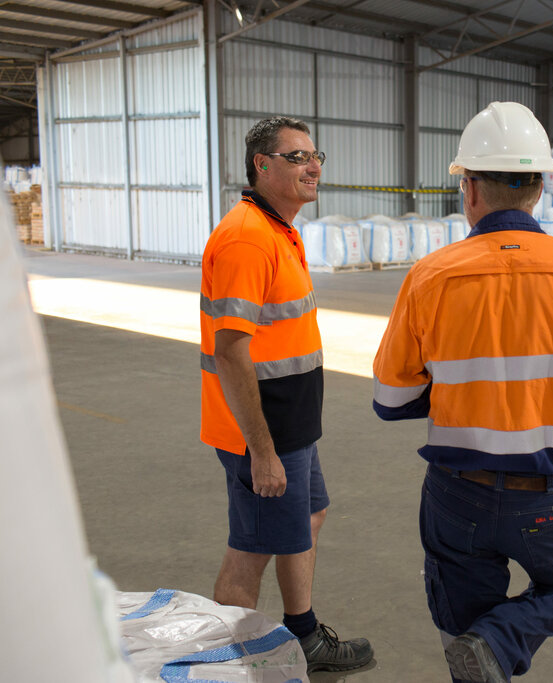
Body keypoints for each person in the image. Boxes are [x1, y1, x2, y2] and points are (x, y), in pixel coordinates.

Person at [372, 102, 553, 682]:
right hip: (547, 495)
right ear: (539, 187)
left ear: (468, 188)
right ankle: (499, 642)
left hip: (457, 494)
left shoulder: (430, 275)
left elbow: (392, 399)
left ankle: (485, 648)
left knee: (462, 634)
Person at [199, 116, 372, 673]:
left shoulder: (279, 230)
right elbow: (230, 350)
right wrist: (262, 451)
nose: (313, 165)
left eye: (314, 155)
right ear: (262, 166)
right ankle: (227, 664)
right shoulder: (248, 239)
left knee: (311, 516)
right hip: (261, 432)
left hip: (290, 423)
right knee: (250, 549)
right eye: (297, 157)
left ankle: (303, 635)